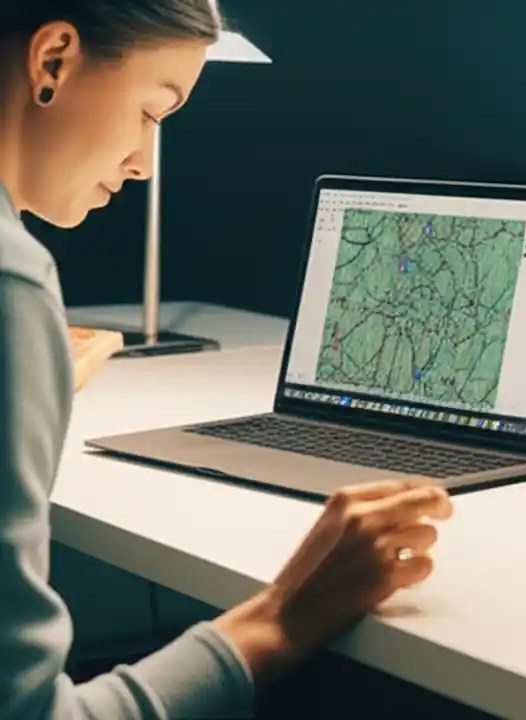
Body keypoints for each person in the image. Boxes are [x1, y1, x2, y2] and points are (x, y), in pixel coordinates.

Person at [0, 3, 453, 718]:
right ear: (53, 58)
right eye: (153, 110)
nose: (145, 163)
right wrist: (280, 619)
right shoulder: (11, 286)